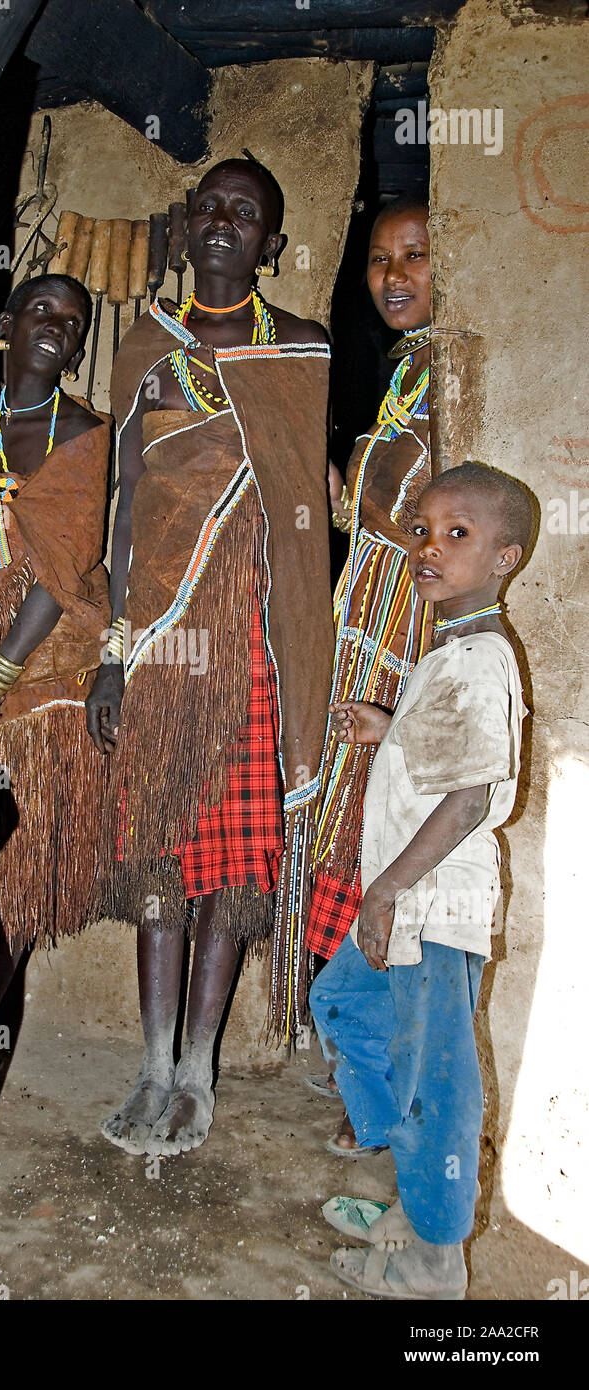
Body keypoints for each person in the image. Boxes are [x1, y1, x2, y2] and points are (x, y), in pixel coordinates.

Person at [86, 158, 333, 1156]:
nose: (226, 223)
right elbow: (123, 508)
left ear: (271, 243)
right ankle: (149, 1065)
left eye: (249, 214)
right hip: (158, 645)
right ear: (186, 229)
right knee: (160, 860)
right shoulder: (148, 351)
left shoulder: (306, 348)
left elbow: (306, 511)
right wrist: (112, 655)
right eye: (212, 208)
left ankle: (199, 1073)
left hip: (252, 645)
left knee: (229, 870)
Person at [309, 462, 532, 1299]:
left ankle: (436, 1260)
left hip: (432, 905)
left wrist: (383, 891)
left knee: (437, 1074)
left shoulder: (479, 658)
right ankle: (418, 1201)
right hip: (412, 902)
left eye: (457, 534)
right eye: (423, 531)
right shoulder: (451, 652)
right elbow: (447, 761)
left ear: (505, 558)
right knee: (344, 1008)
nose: (429, 548)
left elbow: (470, 799)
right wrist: (389, 727)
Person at [303, 197, 435, 1133]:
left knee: (386, 838)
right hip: (364, 628)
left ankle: (386, 1090)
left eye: (416, 256)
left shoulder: (458, 379)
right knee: (345, 834)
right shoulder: (404, 378)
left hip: (407, 642)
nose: (395, 276)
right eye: (381, 261)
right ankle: (362, 1068)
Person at [0, 274, 110, 998]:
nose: (60, 324)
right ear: (7, 322)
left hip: (38, 670)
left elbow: (61, 576)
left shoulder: (85, 436)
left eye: (75, 320)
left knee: (13, 866)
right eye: (43, 309)